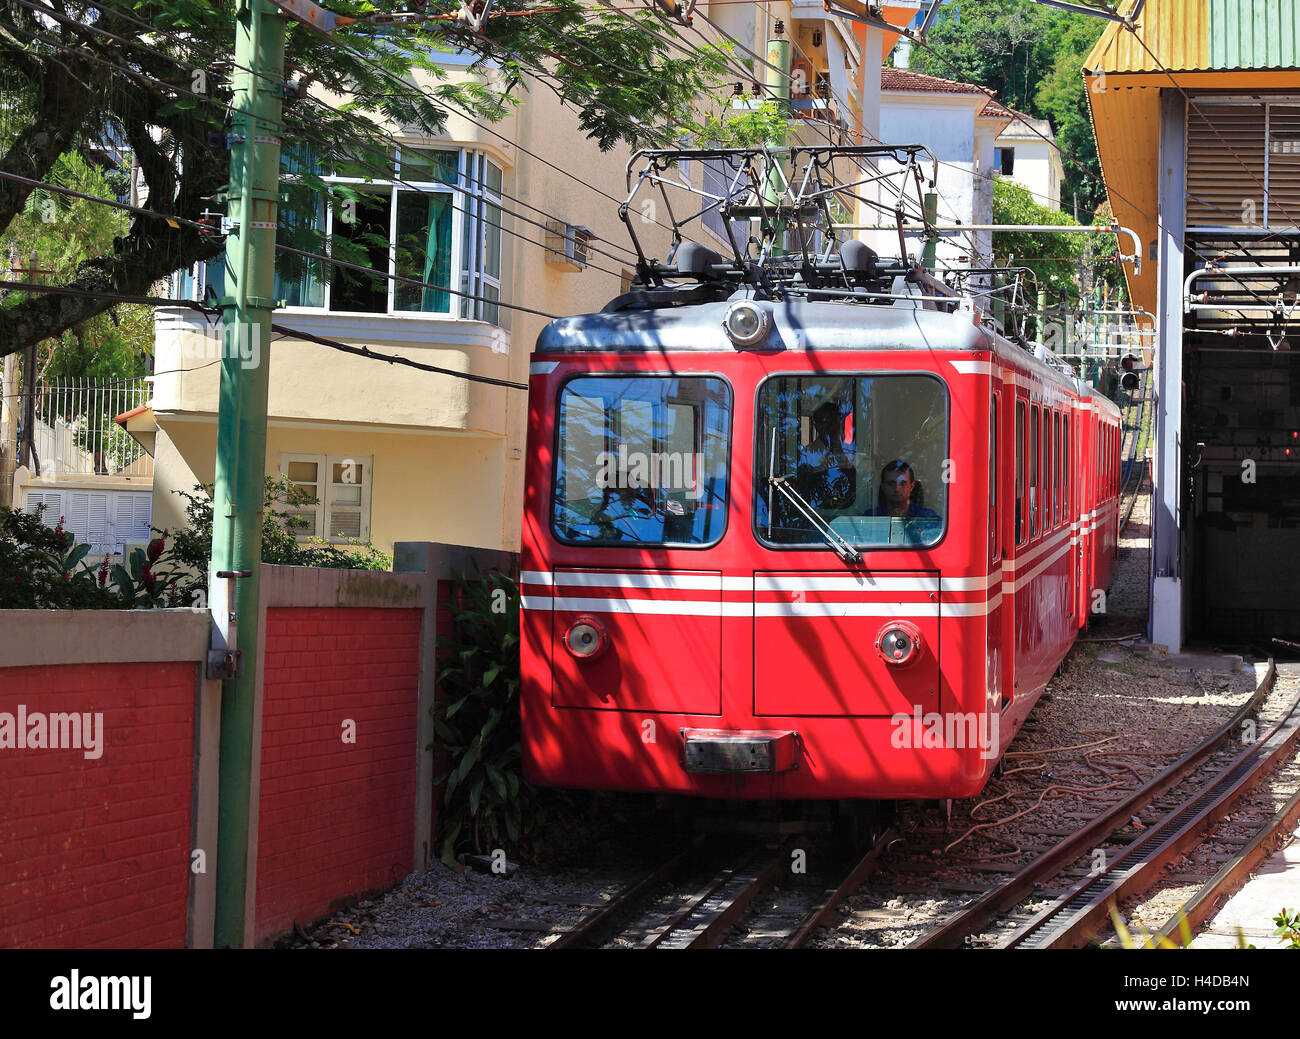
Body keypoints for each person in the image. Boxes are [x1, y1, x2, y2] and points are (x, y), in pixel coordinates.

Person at [797, 401, 856, 509]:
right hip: (817, 509)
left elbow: (855, 483)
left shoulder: (852, 450)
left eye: (833, 421)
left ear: (840, 422)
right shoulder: (807, 454)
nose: (829, 426)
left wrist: (837, 448)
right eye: (823, 421)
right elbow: (804, 487)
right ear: (816, 425)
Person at [871, 460, 939, 519]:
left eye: (902, 483)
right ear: (883, 486)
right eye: (891, 483)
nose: (897, 489)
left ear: (912, 486)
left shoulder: (929, 518)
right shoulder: (870, 517)